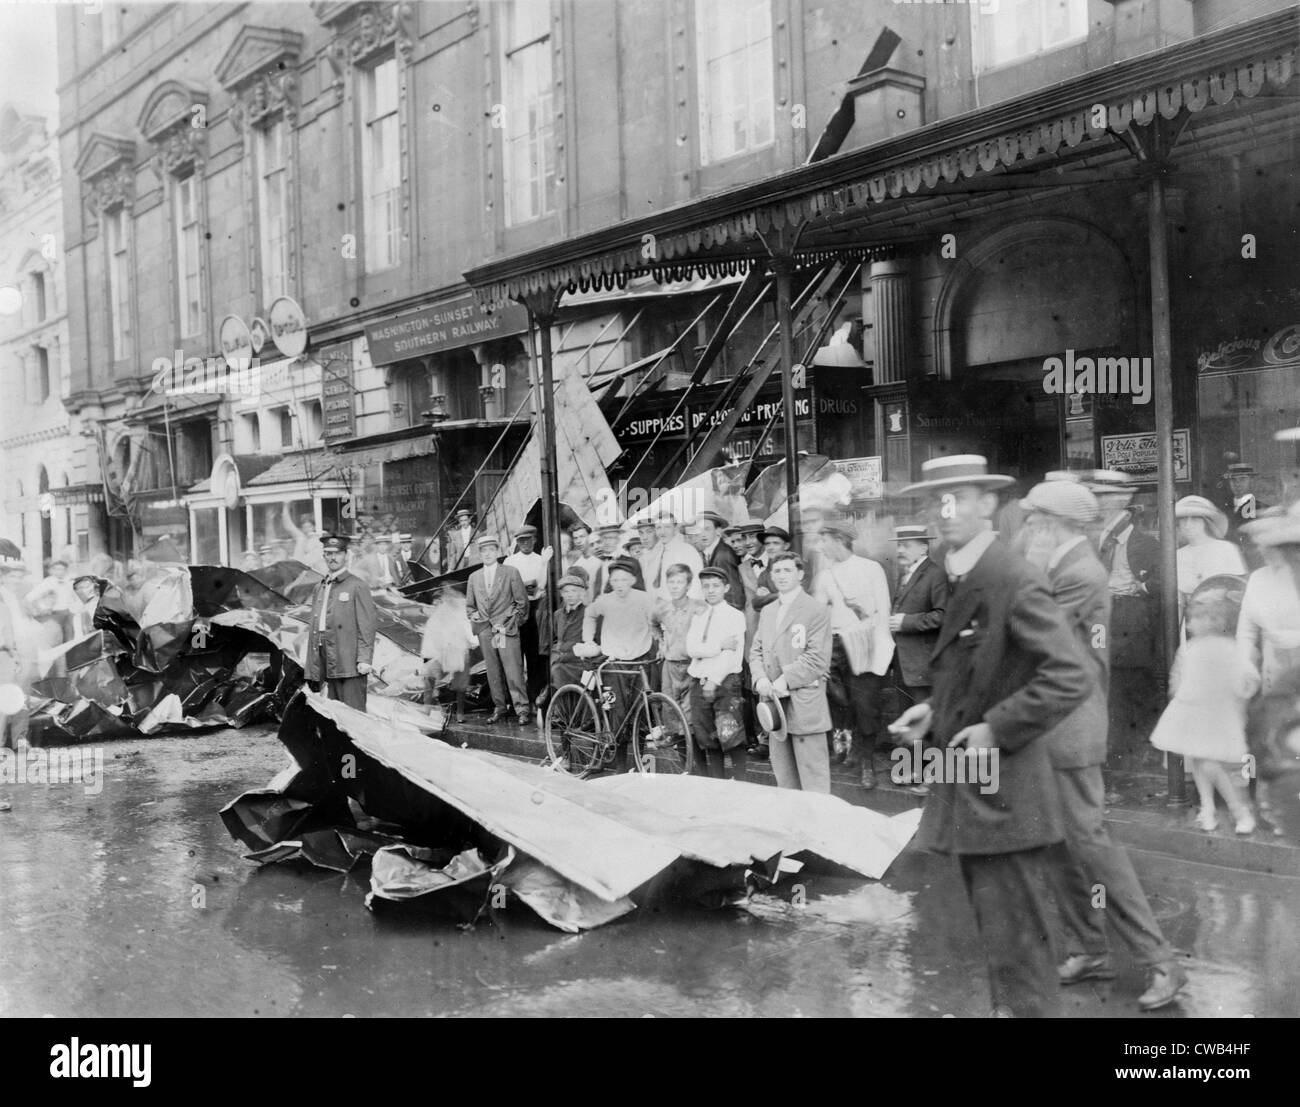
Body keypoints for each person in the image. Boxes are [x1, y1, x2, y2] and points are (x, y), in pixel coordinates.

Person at [889, 455, 1092, 1019]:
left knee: (1017, 939)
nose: (942, 510)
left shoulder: (1009, 576)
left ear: (989, 505)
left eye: (956, 497)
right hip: (977, 786)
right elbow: (983, 673)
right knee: (998, 931)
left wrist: (997, 728)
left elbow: (1070, 674)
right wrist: (932, 711)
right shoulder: (963, 574)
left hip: (1007, 791)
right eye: (934, 500)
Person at [1019, 480, 1186, 1012]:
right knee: (1056, 844)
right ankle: (1090, 947)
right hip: (1049, 729)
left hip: (1069, 728)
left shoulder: (1079, 573)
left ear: (1054, 524)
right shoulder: (1061, 569)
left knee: (1091, 845)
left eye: (1034, 520)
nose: (1027, 530)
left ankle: (1161, 960)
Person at [1152, 586, 1258, 833]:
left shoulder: (1230, 649)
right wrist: (1179, 692)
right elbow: (1178, 677)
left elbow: (1247, 679)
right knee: (1201, 759)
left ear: (1214, 621)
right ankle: (1207, 808)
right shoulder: (1189, 648)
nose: (1189, 626)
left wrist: (1239, 697)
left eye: (1195, 620)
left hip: (1219, 715)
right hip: (1195, 713)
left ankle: (1239, 810)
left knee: (1214, 764)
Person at [814, 521, 894, 789]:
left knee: (866, 704)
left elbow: (883, 610)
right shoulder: (825, 575)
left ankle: (867, 763)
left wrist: (880, 652)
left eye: (824, 540)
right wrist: (820, 652)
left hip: (865, 643)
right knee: (838, 701)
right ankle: (847, 751)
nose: (820, 547)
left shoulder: (870, 569)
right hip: (835, 645)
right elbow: (818, 615)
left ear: (839, 539)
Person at [1090, 470, 1162, 761]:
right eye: (1100, 496)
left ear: (1125, 500)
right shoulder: (1095, 538)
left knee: (1131, 684)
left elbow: (1164, 579)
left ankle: (1136, 748)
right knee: (1108, 684)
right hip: (1102, 617)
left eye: (1110, 497)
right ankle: (1117, 747)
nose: (1104, 503)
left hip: (1131, 618)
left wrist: (1140, 586)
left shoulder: (1145, 543)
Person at [749, 551, 833, 793]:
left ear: (800, 574)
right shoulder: (768, 611)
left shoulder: (815, 610)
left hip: (804, 704)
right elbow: (756, 652)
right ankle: (794, 828)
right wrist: (760, 678)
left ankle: (817, 829)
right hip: (775, 706)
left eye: (788, 570)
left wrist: (784, 680)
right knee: (784, 778)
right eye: (777, 571)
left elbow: (817, 659)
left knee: (813, 779)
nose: (782, 575)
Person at [574, 557, 657, 767]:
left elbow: (656, 621)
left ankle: (642, 764)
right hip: (613, 663)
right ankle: (619, 765)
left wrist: (662, 641)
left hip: (639, 660)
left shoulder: (645, 599)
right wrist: (589, 639)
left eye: (624, 579)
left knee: (641, 710)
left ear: (632, 580)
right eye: (615, 580)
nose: (619, 584)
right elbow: (590, 614)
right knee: (616, 712)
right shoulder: (606, 600)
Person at [887, 524, 945, 795]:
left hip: (924, 662)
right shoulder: (908, 574)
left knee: (925, 720)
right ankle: (910, 770)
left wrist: (907, 622)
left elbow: (943, 615)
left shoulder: (935, 574)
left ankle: (929, 778)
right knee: (908, 718)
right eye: (899, 544)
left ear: (923, 547)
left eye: (907, 544)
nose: (900, 549)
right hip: (905, 661)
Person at [686, 565, 749, 780]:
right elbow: (691, 648)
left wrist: (713, 681)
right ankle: (717, 785)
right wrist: (717, 645)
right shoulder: (699, 615)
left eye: (715, 586)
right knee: (706, 736)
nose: (711, 590)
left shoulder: (734, 615)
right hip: (698, 681)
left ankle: (742, 784)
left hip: (725, 683)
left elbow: (730, 654)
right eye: (706, 586)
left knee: (730, 733)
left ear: (726, 587)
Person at [303, 533, 378, 712]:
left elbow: (367, 625)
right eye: (328, 554)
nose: (332, 558)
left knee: (353, 712)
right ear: (323, 556)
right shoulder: (319, 587)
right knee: (333, 712)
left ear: (346, 555)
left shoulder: (357, 585)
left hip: (349, 661)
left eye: (337, 553)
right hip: (325, 657)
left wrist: (364, 659)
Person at [465, 534, 530, 725]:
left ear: (497, 551)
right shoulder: (473, 577)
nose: (488, 554)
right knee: (493, 671)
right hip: (486, 630)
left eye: (491, 550)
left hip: (505, 629)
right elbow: (470, 606)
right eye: (484, 551)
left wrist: (513, 622)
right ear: (480, 554)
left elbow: (522, 603)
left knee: (513, 669)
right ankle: (500, 707)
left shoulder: (510, 572)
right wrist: (474, 616)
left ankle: (522, 709)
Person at [1174, 496, 1246, 616]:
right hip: (1190, 618)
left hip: (1223, 617)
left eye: (1195, 519)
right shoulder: (1178, 555)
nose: (1188, 525)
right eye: (1183, 520)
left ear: (1205, 522)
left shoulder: (1226, 548)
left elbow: (1238, 587)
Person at [650, 563, 700, 734]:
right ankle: (682, 755)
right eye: (671, 582)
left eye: (680, 582)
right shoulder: (662, 608)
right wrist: (662, 642)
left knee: (691, 711)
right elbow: (653, 624)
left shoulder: (699, 607)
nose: (675, 586)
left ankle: (695, 754)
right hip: (670, 665)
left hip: (692, 665)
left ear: (688, 585)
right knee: (670, 708)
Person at [506, 525, 552, 704]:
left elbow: (541, 585)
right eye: (521, 541)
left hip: (535, 609)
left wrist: (544, 564)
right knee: (516, 657)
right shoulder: (510, 561)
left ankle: (535, 698)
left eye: (529, 540)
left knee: (535, 656)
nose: (525, 544)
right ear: (517, 542)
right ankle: (517, 701)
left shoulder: (541, 559)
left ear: (534, 540)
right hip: (517, 610)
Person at [641, 512, 703, 601]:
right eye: (659, 528)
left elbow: (696, 585)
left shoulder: (687, 551)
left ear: (675, 529)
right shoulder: (657, 553)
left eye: (667, 527)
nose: (662, 532)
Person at [696, 510, 745, 611]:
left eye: (707, 529)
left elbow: (734, 596)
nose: (703, 534)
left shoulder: (723, 555)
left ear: (718, 531)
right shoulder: (710, 551)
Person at [550, 572, 589, 689]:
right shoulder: (558, 615)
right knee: (556, 671)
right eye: (566, 592)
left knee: (558, 671)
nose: (570, 595)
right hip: (561, 660)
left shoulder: (588, 613)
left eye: (574, 591)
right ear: (562, 594)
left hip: (580, 662)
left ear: (582, 593)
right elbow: (556, 639)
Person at [27, 557, 77, 645]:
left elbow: (76, 598)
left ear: (66, 570)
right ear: (53, 570)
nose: (60, 572)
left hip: (69, 614)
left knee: (69, 640)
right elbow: (30, 597)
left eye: (62, 569)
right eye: (57, 569)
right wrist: (41, 608)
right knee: (55, 639)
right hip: (53, 614)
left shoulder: (70, 582)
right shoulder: (47, 582)